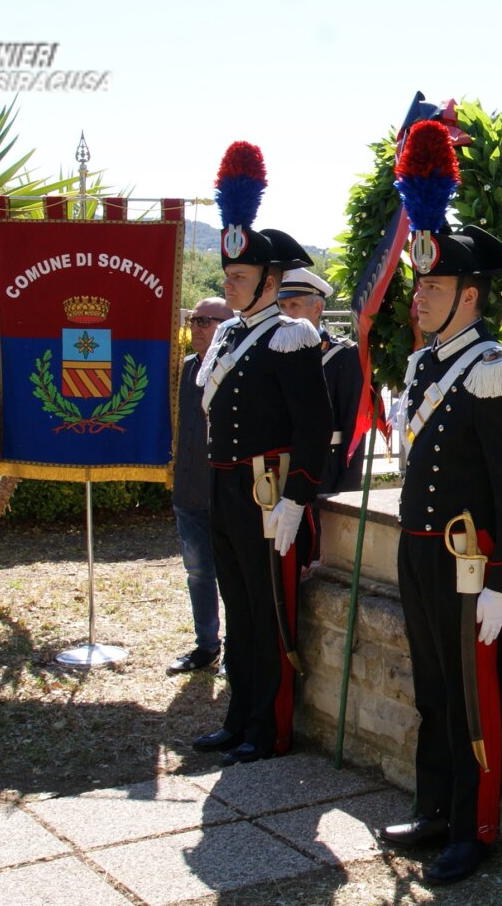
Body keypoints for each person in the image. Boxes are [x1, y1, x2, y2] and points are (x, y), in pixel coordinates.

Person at [378, 225, 502, 885]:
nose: (419, 297)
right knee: (434, 690)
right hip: (419, 551)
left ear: (469, 297)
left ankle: (473, 829)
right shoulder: (425, 364)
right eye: (419, 284)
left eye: (436, 286)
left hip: (469, 563)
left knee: (474, 698)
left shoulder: (495, 368)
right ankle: (435, 810)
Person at [192, 226, 332, 766]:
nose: (228, 285)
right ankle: (238, 718)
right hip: (224, 485)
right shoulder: (230, 335)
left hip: (266, 491)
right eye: (227, 275)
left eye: (240, 277)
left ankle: (268, 727)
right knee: (238, 606)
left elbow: (313, 427)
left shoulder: (291, 336)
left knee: (268, 609)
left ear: (269, 283)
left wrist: (297, 499)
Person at [167, 294, 233, 675]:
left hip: (226, 493)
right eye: (194, 319)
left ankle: (237, 651)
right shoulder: (184, 370)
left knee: (232, 576)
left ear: (227, 326)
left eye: (206, 321)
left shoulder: (238, 368)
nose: (197, 327)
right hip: (189, 491)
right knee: (198, 574)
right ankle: (207, 646)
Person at [278, 268, 365, 496]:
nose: (285, 314)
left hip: (324, 470)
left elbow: (354, 425)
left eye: (294, 305)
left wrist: (349, 489)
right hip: (278, 469)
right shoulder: (272, 350)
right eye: (282, 306)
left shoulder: (342, 355)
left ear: (317, 308)